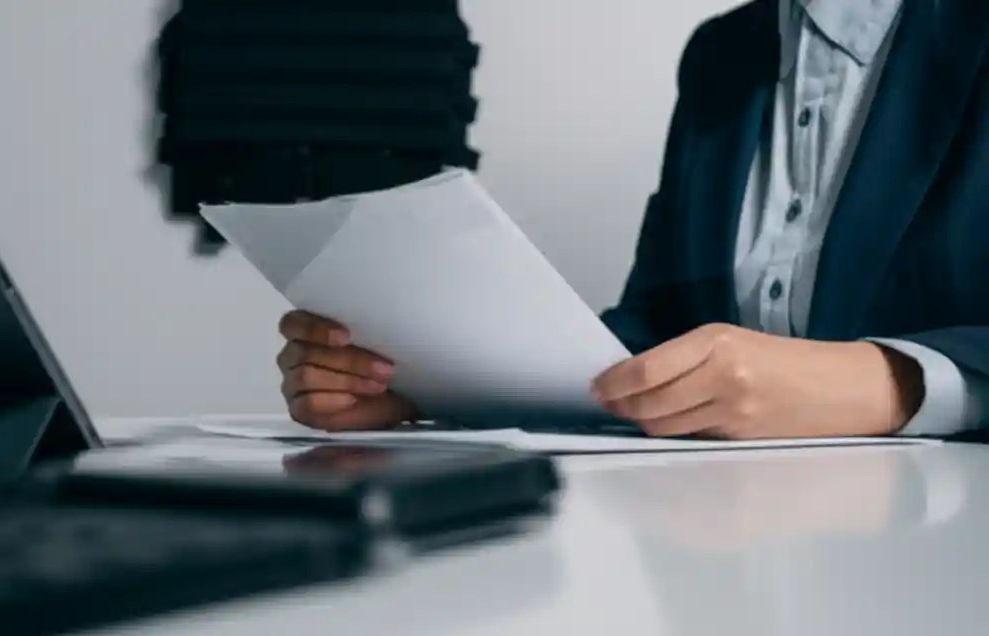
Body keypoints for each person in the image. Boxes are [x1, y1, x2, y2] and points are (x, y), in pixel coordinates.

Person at [275, 0, 989, 439]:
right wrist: (424, 383)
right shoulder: (721, 55)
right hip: (727, 549)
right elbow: (655, 324)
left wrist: (884, 383)